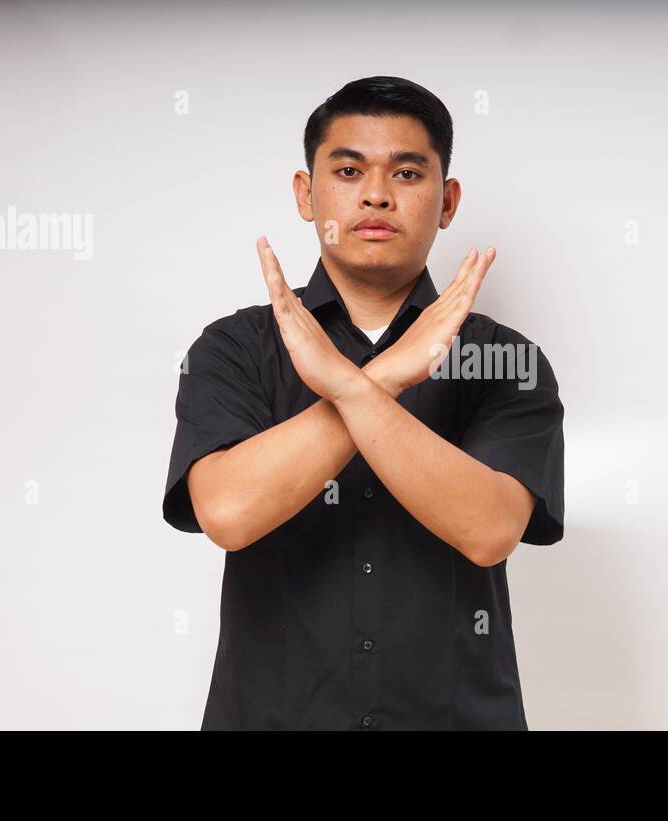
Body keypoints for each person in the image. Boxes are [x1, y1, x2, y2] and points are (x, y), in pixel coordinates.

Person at [161, 76, 565, 730]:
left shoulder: (504, 361)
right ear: (305, 192)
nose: (376, 193)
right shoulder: (234, 348)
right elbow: (229, 512)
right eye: (348, 169)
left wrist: (353, 383)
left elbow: (490, 529)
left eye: (407, 172)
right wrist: (392, 376)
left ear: (447, 200)